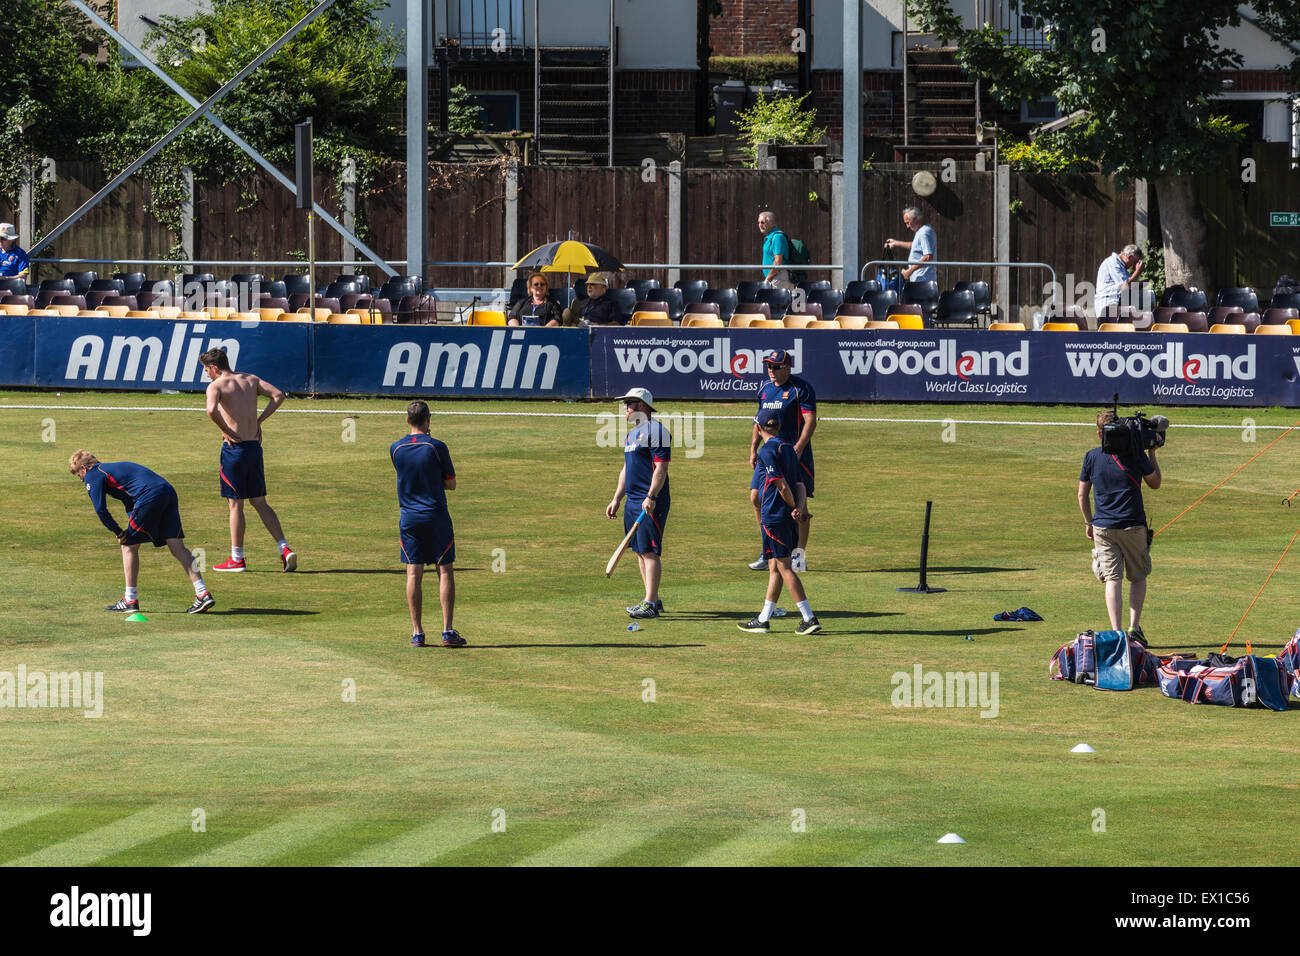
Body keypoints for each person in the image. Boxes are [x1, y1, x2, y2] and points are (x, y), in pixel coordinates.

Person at [69, 450, 215, 614]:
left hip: (149, 496)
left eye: (78, 475)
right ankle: (202, 593)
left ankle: (130, 599)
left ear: (84, 468)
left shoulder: (93, 474)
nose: (81, 480)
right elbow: (130, 499)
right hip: (167, 491)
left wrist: (118, 532)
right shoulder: (112, 468)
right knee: (177, 546)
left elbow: (100, 509)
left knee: (128, 546)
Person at [201, 347, 297, 572]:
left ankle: (237, 558)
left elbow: (211, 410)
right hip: (254, 448)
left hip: (234, 450)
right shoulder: (250, 379)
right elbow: (278, 395)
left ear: (214, 368)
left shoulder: (216, 385)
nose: (206, 374)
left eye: (206, 370)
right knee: (260, 502)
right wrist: (259, 421)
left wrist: (225, 429)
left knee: (235, 504)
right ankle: (284, 548)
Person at [1078, 410, 1162, 643]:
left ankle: (1116, 633)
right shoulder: (1135, 454)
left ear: (1099, 434)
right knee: (1137, 576)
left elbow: (1082, 493)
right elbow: (1155, 483)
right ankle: (1134, 628)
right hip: (1133, 525)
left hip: (1102, 526)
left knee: (1112, 579)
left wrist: (1088, 522)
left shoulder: (1091, 457)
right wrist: (1151, 454)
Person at [738, 411, 820, 635]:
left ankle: (809, 617)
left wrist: (793, 507)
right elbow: (800, 485)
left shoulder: (766, 451)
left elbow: (782, 486)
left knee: (784, 567)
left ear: (758, 428)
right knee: (774, 566)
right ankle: (764, 619)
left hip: (774, 517)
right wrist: (800, 509)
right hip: (789, 518)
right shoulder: (789, 449)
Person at [391, 400, 463, 647]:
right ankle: (447, 630)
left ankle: (417, 632)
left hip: (409, 518)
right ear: (428, 420)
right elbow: (451, 483)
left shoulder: (395, 448)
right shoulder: (437, 447)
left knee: (413, 573)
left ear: (407, 420)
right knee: (445, 571)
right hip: (436, 516)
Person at [748, 350, 816, 573]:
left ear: (788, 367)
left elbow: (810, 422)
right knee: (756, 497)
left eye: (776, 367)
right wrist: (752, 449)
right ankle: (767, 550)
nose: (771, 370)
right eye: (769, 366)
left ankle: (798, 555)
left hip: (794, 455)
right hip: (768, 454)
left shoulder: (801, 389)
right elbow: (758, 422)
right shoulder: (765, 390)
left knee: (799, 503)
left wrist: (798, 448)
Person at [605, 387, 670, 620]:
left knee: (650, 551)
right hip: (633, 500)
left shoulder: (657, 431)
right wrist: (616, 498)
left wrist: (651, 496)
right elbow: (626, 469)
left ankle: (650, 603)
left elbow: (661, 468)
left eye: (629, 404)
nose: (625, 408)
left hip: (649, 501)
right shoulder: (632, 434)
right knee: (640, 551)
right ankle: (651, 597)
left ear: (642, 406)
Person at [884, 206, 937, 283]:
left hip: (923, 280)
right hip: (920, 279)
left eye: (908, 223)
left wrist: (910, 271)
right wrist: (895, 243)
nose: (907, 226)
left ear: (915, 219)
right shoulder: (922, 231)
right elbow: (914, 246)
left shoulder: (924, 233)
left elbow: (928, 256)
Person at [1095, 244, 1144, 313]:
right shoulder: (1113, 263)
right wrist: (1137, 272)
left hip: (1116, 304)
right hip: (1107, 304)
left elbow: (1129, 287)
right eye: (1134, 262)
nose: (1134, 265)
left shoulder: (1123, 269)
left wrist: (1140, 284)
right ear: (1129, 257)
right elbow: (1124, 286)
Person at [758, 210, 795, 290]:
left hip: (779, 278)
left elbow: (778, 262)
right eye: (759, 223)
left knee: (778, 302)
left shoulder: (777, 237)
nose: (760, 225)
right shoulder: (770, 237)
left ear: (772, 223)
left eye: (763, 222)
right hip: (775, 277)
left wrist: (768, 279)